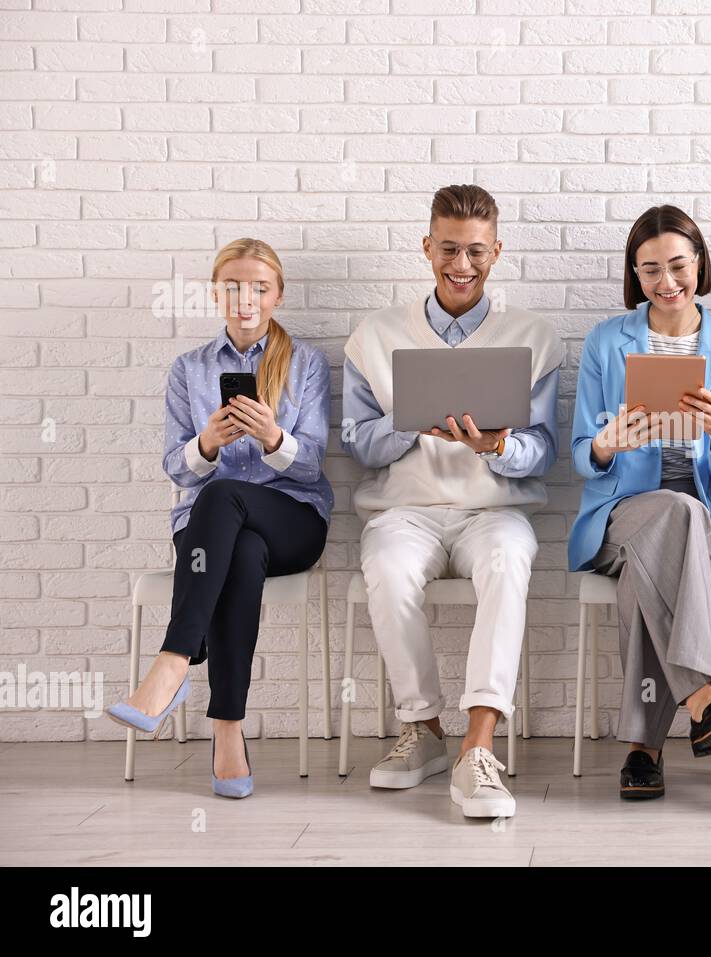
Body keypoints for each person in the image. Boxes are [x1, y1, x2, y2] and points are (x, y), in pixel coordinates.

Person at [342, 184, 561, 819]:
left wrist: (496, 446)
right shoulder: (374, 336)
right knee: (386, 565)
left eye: (474, 252)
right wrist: (411, 421)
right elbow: (360, 445)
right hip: (403, 511)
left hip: (494, 510)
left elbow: (544, 451)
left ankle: (478, 745)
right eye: (447, 250)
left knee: (507, 561)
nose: (460, 266)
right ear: (426, 247)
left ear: (497, 251)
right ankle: (424, 731)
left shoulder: (534, 338)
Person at [107, 238, 333, 800]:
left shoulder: (305, 364)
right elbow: (176, 470)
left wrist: (273, 438)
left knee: (226, 496)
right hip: (217, 539)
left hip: (293, 521)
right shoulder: (188, 370)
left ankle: (173, 662)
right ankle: (228, 732)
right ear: (215, 293)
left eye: (259, 287)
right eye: (233, 286)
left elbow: (309, 470)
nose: (245, 298)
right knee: (240, 549)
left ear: (277, 295)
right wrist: (205, 442)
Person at [569, 205, 711, 800]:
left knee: (671, 537)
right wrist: (605, 443)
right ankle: (702, 698)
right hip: (622, 511)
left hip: (705, 525)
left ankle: (642, 750)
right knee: (672, 516)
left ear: (700, 264)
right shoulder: (606, 341)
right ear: (634, 274)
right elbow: (580, 454)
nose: (666, 281)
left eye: (678, 265)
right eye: (650, 270)